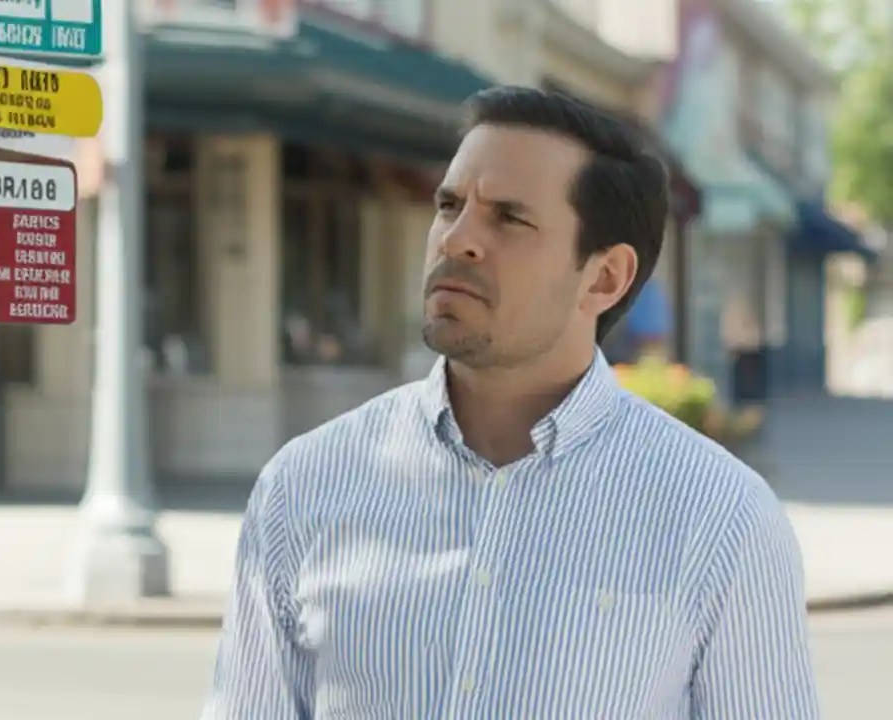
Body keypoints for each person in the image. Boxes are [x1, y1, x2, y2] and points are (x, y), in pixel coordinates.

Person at [200, 87, 817, 719]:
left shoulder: (720, 521)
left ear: (604, 278)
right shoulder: (304, 487)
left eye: (509, 218)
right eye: (449, 205)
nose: (456, 239)